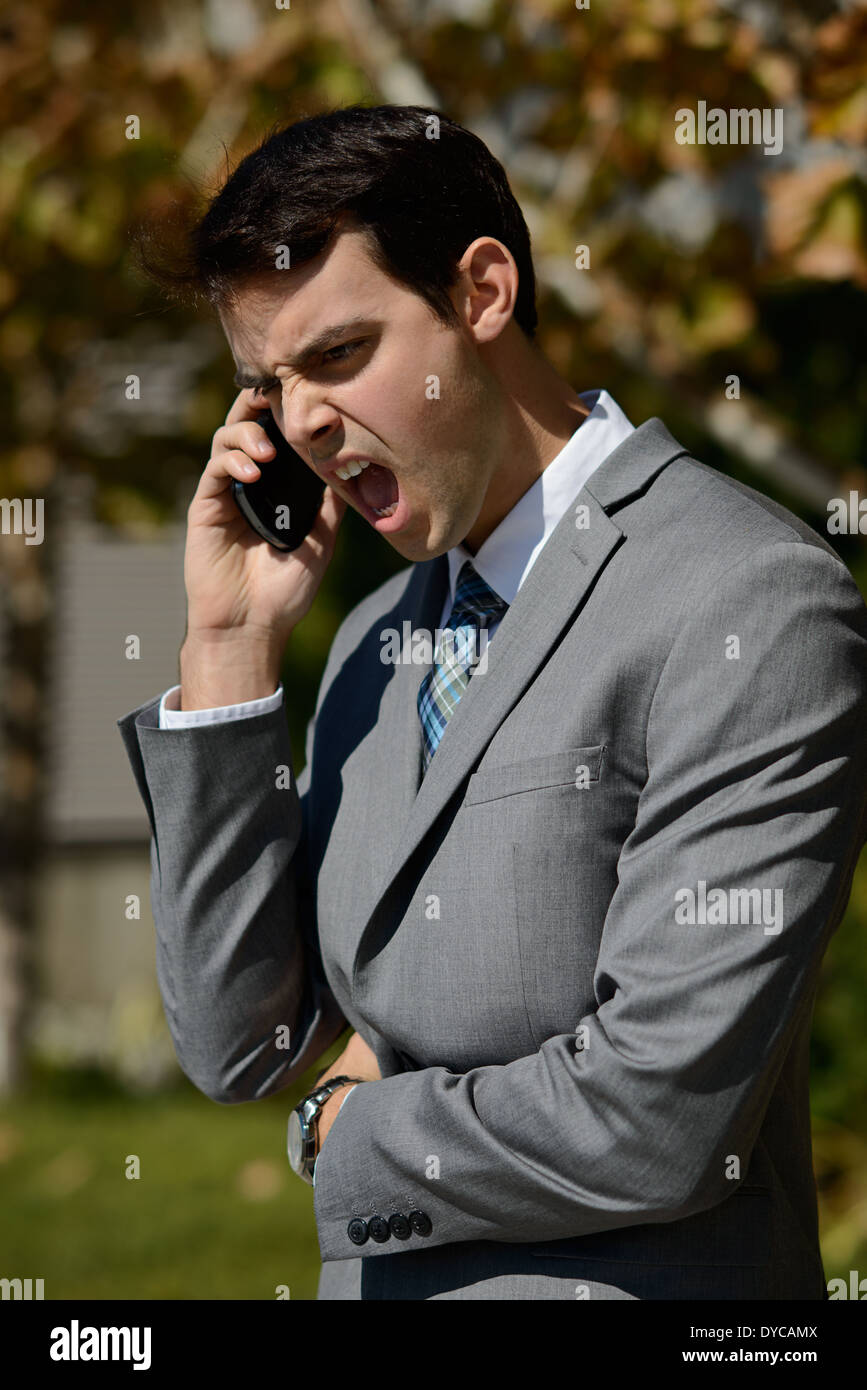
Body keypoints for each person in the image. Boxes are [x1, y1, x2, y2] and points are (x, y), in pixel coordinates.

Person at [118, 104, 867, 1300]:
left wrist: (341, 1132)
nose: (304, 421)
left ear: (482, 293)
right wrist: (228, 646)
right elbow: (239, 1042)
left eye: (339, 354)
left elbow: (656, 1116)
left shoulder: (751, 597)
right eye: (270, 384)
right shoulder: (372, 641)